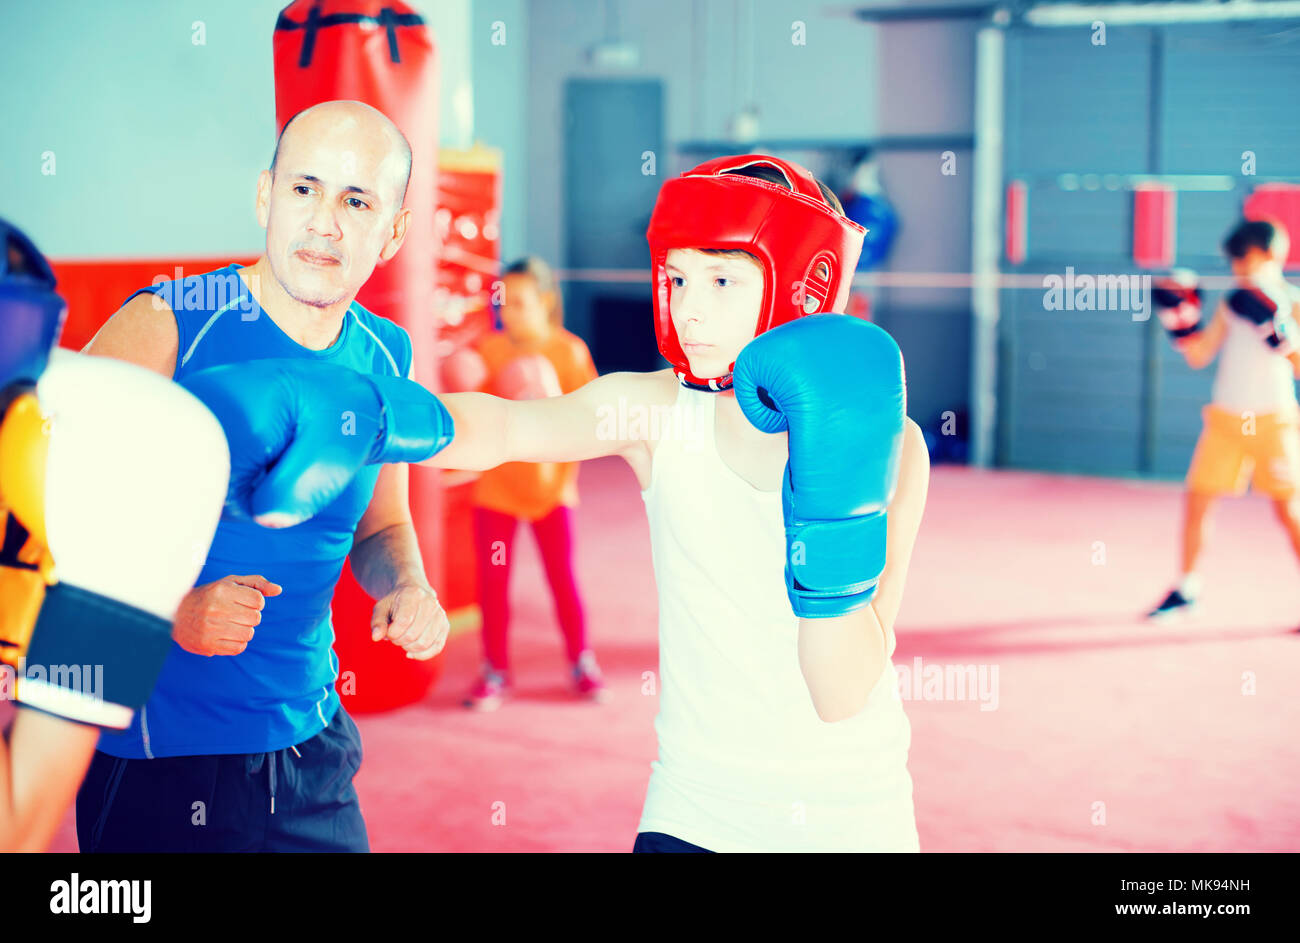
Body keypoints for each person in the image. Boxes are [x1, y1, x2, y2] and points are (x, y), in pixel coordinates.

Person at [425, 155, 930, 852]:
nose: (687, 307)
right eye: (678, 277)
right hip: (695, 805)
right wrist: (369, 419)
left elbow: (839, 690)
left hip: (851, 811)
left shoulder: (893, 445)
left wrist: (834, 487)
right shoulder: (657, 411)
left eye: (721, 279)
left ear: (806, 287)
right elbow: (509, 427)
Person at [73, 100, 454, 852]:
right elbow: (39, 513)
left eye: (357, 200)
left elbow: (381, 524)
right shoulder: (172, 324)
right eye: (305, 188)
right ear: (264, 197)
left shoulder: (387, 356)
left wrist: (409, 583)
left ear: (395, 231)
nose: (325, 222)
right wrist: (170, 612)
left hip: (311, 754)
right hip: (157, 758)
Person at [464, 257, 603, 710]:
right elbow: (470, 421)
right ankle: (495, 670)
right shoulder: (488, 350)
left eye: (521, 302)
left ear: (544, 302)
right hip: (498, 488)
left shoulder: (568, 352)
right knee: (493, 583)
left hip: (551, 488)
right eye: (505, 301)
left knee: (561, 577)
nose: (511, 311)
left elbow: (593, 421)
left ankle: (582, 661)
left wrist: (550, 401)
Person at [1148, 219, 1300, 620]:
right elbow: (1200, 354)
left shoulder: (1294, 300)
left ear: (1271, 255)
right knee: (1198, 500)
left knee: (1289, 512)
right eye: (1233, 261)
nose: (1238, 268)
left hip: (1275, 421)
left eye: (1244, 259)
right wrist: (1179, 320)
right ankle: (1186, 588)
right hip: (1227, 419)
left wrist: (1280, 332)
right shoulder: (1233, 302)